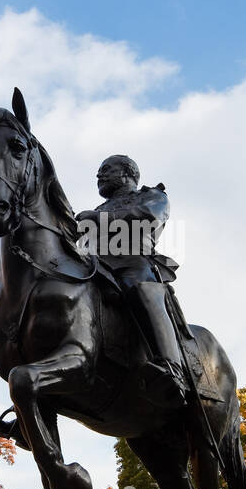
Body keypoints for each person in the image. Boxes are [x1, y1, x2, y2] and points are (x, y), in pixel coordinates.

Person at [76, 155, 188, 404]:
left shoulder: (153, 197)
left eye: (106, 169)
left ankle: (172, 369)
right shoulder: (96, 211)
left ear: (127, 172)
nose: (99, 175)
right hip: (96, 268)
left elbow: (147, 217)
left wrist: (98, 220)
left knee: (139, 288)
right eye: (99, 171)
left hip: (133, 262)